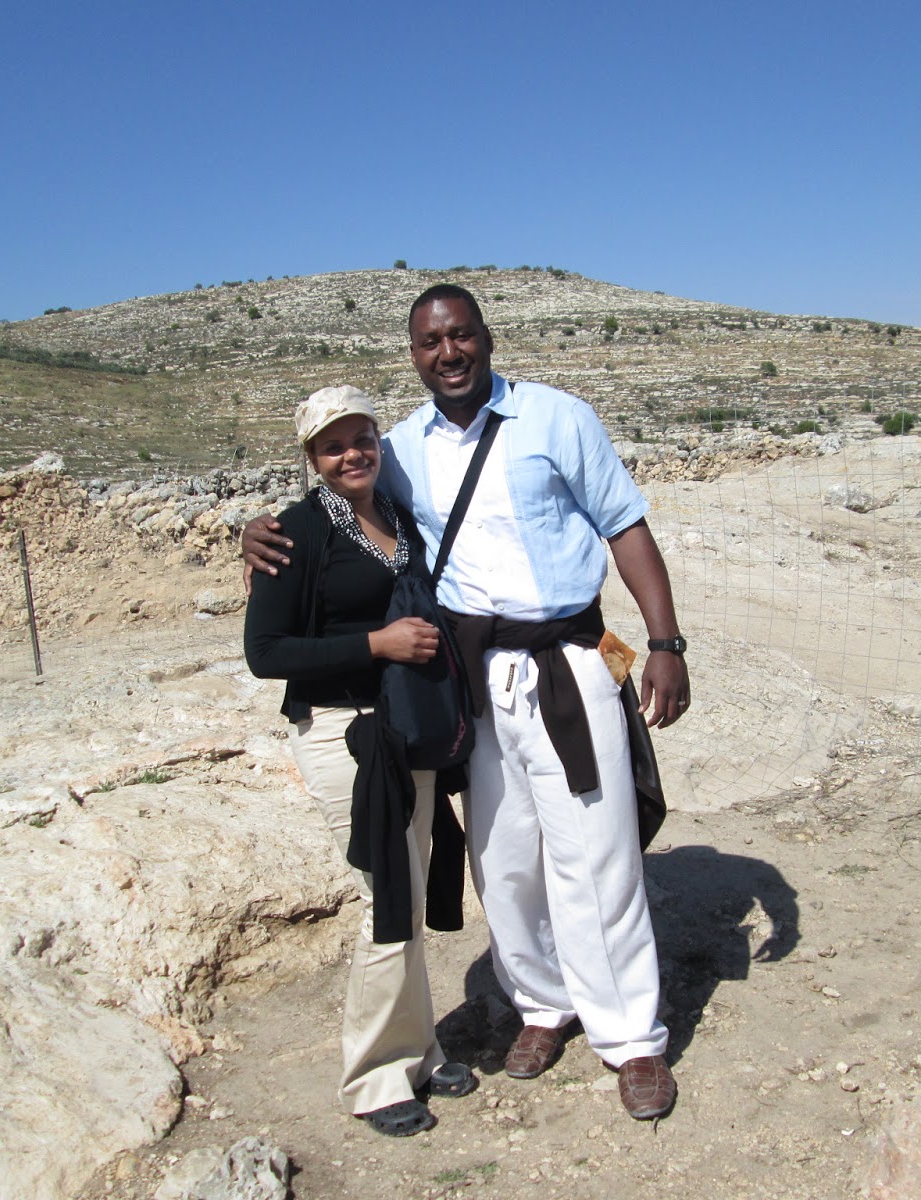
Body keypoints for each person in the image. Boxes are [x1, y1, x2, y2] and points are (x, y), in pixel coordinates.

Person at [245, 287, 692, 1121]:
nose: (447, 353)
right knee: (504, 855)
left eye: (460, 336)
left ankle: (632, 1036)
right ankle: (542, 1003)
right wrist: (258, 532)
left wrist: (663, 645)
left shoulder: (558, 418)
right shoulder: (402, 446)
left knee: (598, 851)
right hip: (473, 680)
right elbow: (341, 506)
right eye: (428, 341)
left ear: (485, 338)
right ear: (412, 354)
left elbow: (625, 526)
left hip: (568, 662)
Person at [242, 384, 477, 1137]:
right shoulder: (295, 532)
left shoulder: (395, 517)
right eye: (334, 445)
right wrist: (374, 646)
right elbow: (265, 652)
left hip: (402, 728)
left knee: (405, 890)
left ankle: (418, 1048)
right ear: (311, 458)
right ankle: (375, 1077)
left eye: (362, 437)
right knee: (385, 898)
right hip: (344, 732)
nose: (353, 454)